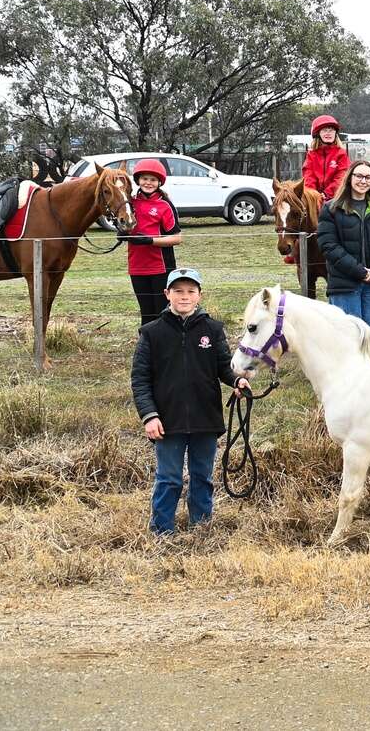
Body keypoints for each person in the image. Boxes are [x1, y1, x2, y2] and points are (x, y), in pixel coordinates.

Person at [130, 267, 247, 534]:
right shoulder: (151, 333)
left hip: (205, 418)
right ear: (167, 294)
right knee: (169, 478)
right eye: (178, 291)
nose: (184, 297)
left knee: (202, 477)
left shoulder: (213, 329)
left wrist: (237, 381)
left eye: (190, 291)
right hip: (167, 421)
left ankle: (201, 528)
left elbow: (223, 367)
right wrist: (150, 415)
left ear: (199, 296)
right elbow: (140, 379)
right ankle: (162, 531)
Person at [318, 160, 370, 329]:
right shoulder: (332, 209)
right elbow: (328, 245)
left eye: (368, 177)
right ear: (349, 178)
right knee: (348, 339)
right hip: (345, 285)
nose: (363, 181)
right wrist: (358, 271)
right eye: (359, 176)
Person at [123, 158, 182, 325]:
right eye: (144, 178)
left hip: (161, 267)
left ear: (159, 182)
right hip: (137, 266)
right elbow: (125, 224)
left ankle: (167, 347)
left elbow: (177, 238)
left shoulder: (164, 205)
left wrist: (150, 241)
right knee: (146, 313)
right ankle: (147, 347)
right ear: (138, 180)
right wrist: (122, 233)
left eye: (153, 179)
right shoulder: (131, 203)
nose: (148, 183)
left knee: (162, 312)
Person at [301, 113, 350, 199]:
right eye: (324, 130)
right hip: (316, 197)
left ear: (335, 133)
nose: (328, 133)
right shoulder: (311, 155)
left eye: (331, 130)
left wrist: (327, 193)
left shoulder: (341, 154)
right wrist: (313, 194)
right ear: (318, 134)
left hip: (336, 198)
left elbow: (342, 177)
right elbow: (308, 176)